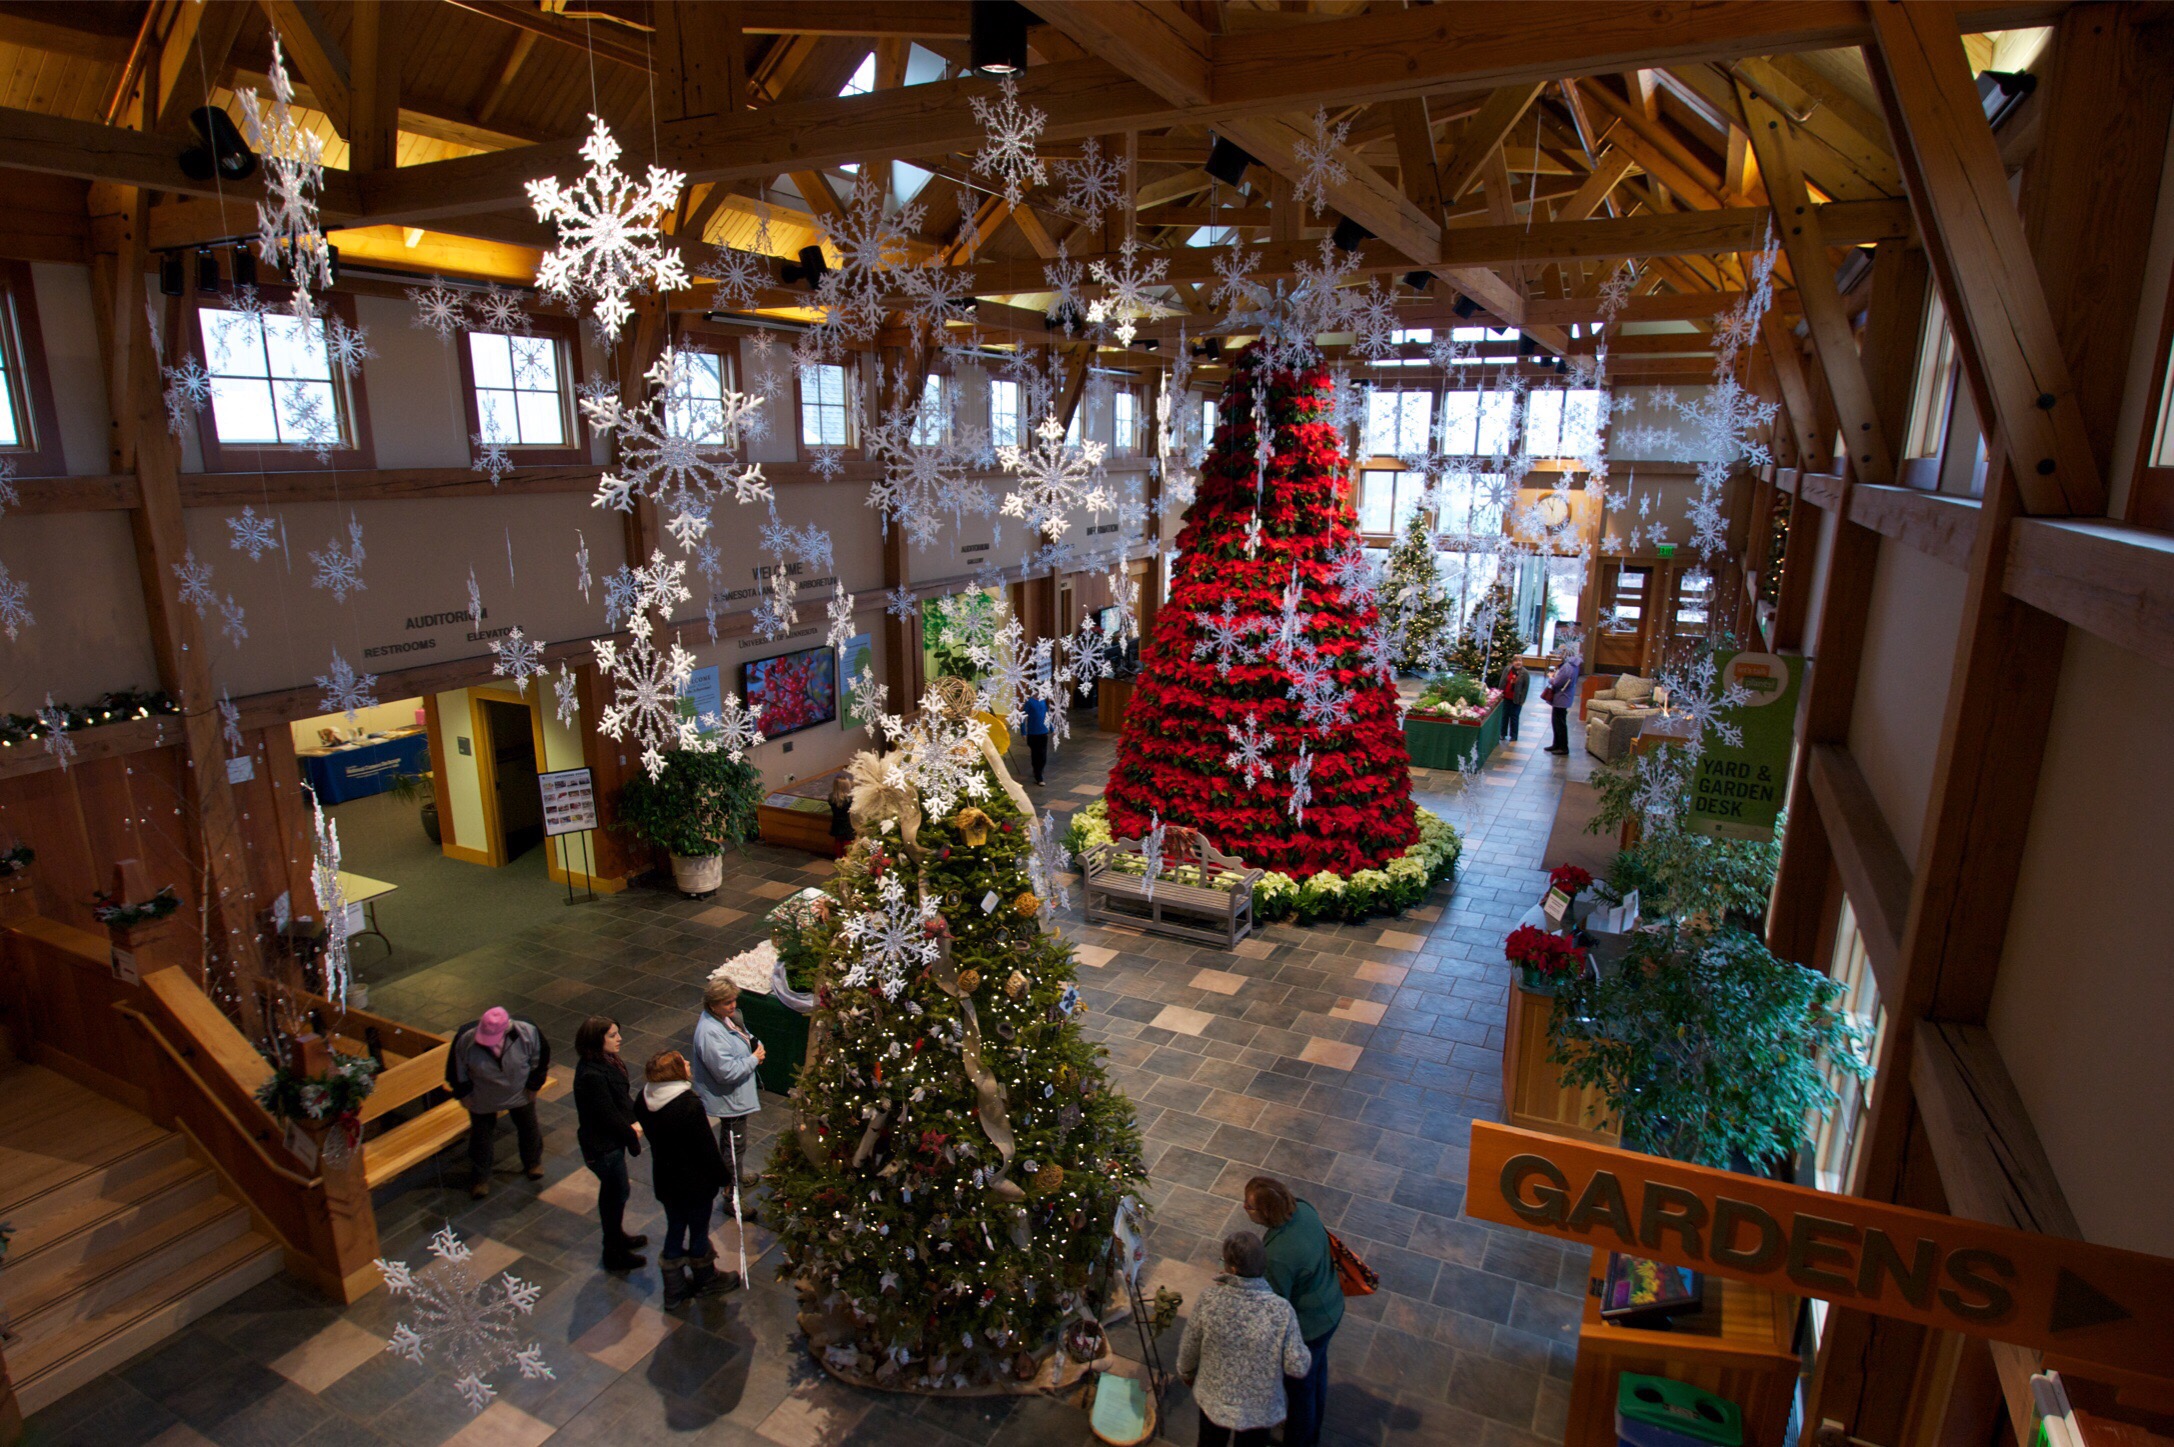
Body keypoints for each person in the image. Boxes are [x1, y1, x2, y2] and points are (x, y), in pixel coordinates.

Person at [1177, 1230, 1313, 1447]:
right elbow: (1297, 1366)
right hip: (1260, 1409)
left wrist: (1186, 1372)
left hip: (1215, 1399)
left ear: (1232, 1269)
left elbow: (1190, 1345)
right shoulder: (1281, 1311)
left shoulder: (1210, 1300)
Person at [1245, 1177, 1342, 1447]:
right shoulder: (1304, 1209)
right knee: (1317, 1373)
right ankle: (1313, 1429)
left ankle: (1301, 1438)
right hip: (1331, 1305)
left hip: (1310, 1325)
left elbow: (1273, 1304)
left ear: (1266, 1212)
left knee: (1300, 1391)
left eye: (1249, 1206)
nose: (1244, 1208)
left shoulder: (1278, 1255)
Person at [635, 1050, 730, 1306]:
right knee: (698, 1230)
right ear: (675, 1072)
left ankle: (673, 1290)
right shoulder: (688, 1104)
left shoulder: (643, 1099)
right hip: (694, 1182)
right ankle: (706, 1280)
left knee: (675, 1227)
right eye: (683, 1062)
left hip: (666, 1179)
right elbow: (705, 1148)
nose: (688, 1063)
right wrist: (724, 1176)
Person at [445, 1006, 548, 1199]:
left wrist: (534, 1085)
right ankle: (480, 1178)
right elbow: (455, 1071)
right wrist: (464, 1095)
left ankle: (533, 1163)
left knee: (528, 1127)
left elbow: (540, 1059)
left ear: (507, 1029)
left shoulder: (527, 1031)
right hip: (482, 1098)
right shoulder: (466, 1038)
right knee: (481, 1137)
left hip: (520, 1093)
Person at [572, 1017, 647, 1271]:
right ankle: (613, 1252)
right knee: (615, 1195)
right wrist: (631, 1132)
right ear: (597, 1040)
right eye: (613, 1035)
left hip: (610, 1143)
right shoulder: (592, 1074)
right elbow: (607, 1114)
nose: (619, 1039)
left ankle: (617, 1237)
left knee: (616, 1193)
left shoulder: (605, 1062)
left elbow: (619, 1099)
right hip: (603, 1146)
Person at [691, 977, 763, 1238]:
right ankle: (731, 1197)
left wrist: (754, 1046)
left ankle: (735, 1178)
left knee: (736, 1145)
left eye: (734, 1000)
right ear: (712, 1004)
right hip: (729, 1099)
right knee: (733, 1146)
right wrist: (754, 1060)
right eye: (727, 1002)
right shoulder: (709, 1033)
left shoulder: (724, 1018)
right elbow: (725, 1072)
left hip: (736, 1096)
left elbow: (741, 1037)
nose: (733, 1006)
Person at [1544, 629, 1583, 755]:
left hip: (1562, 697)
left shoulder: (1568, 667)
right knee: (1558, 722)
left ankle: (1562, 747)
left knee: (1559, 723)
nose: (1559, 654)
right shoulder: (1574, 665)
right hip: (1565, 697)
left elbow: (1557, 683)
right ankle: (1556, 744)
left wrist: (1551, 678)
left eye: (1561, 652)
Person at [1022, 693, 1051, 785]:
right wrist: (1023, 732)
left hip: (1043, 732)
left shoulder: (1043, 701)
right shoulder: (1029, 702)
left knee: (1043, 755)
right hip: (1033, 733)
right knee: (1035, 754)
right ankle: (1038, 776)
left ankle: (1039, 770)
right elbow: (1023, 717)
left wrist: (1052, 728)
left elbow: (1046, 715)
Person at [827, 770, 856, 855]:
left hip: (836, 823)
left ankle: (838, 858)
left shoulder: (831, 798)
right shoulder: (849, 800)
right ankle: (846, 859)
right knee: (847, 843)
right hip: (848, 824)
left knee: (838, 842)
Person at [1499, 658, 1527, 742]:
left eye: (1520, 661)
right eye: (1516, 661)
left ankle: (1513, 735)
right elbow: (1502, 682)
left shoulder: (1524, 673)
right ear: (1512, 662)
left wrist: (1522, 700)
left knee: (1514, 717)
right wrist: (1500, 693)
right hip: (1506, 697)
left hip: (1517, 699)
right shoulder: (1507, 670)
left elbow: (1525, 688)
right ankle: (1502, 734)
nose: (1518, 662)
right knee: (1504, 716)